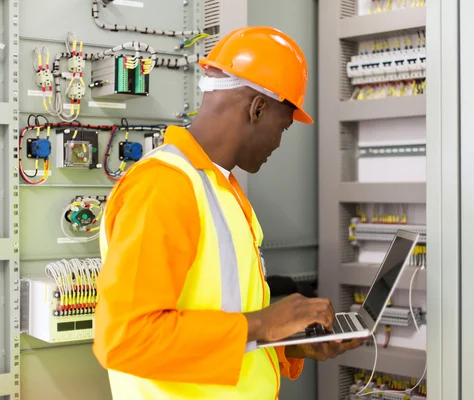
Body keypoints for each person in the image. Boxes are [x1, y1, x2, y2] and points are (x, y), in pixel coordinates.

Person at [93, 26, 363, 400]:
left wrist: (289, 342)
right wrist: (264, 324)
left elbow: (225, 321)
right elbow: (127, 340)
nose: (278, 143)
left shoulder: (219, 188)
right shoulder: (164, 187)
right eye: (282, 128)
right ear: (257, 108)